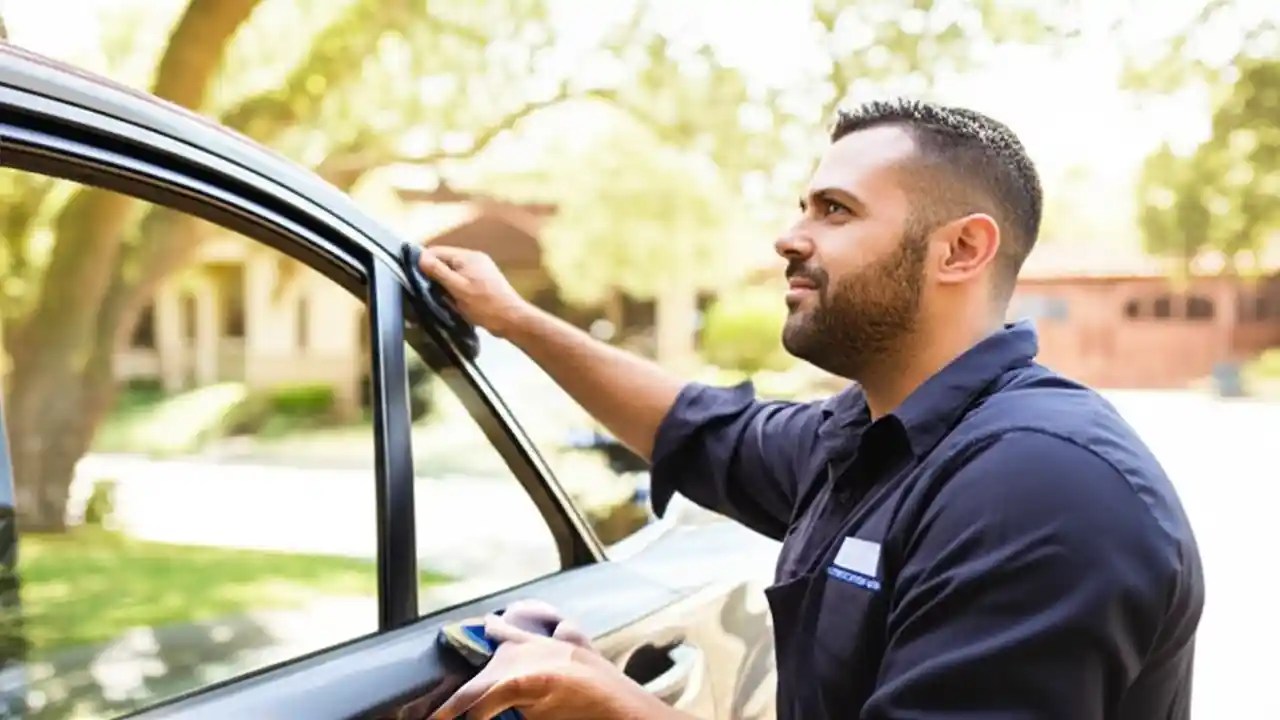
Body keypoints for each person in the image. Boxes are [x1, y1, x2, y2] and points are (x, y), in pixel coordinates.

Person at [422, 98, 1204, 720]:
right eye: (804, 206)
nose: (788, 238)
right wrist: (514, 319)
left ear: (961, 250)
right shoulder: (870, 437)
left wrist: (608, 704)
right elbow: (697, 429)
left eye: (835, 210)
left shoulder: (1041, 490)